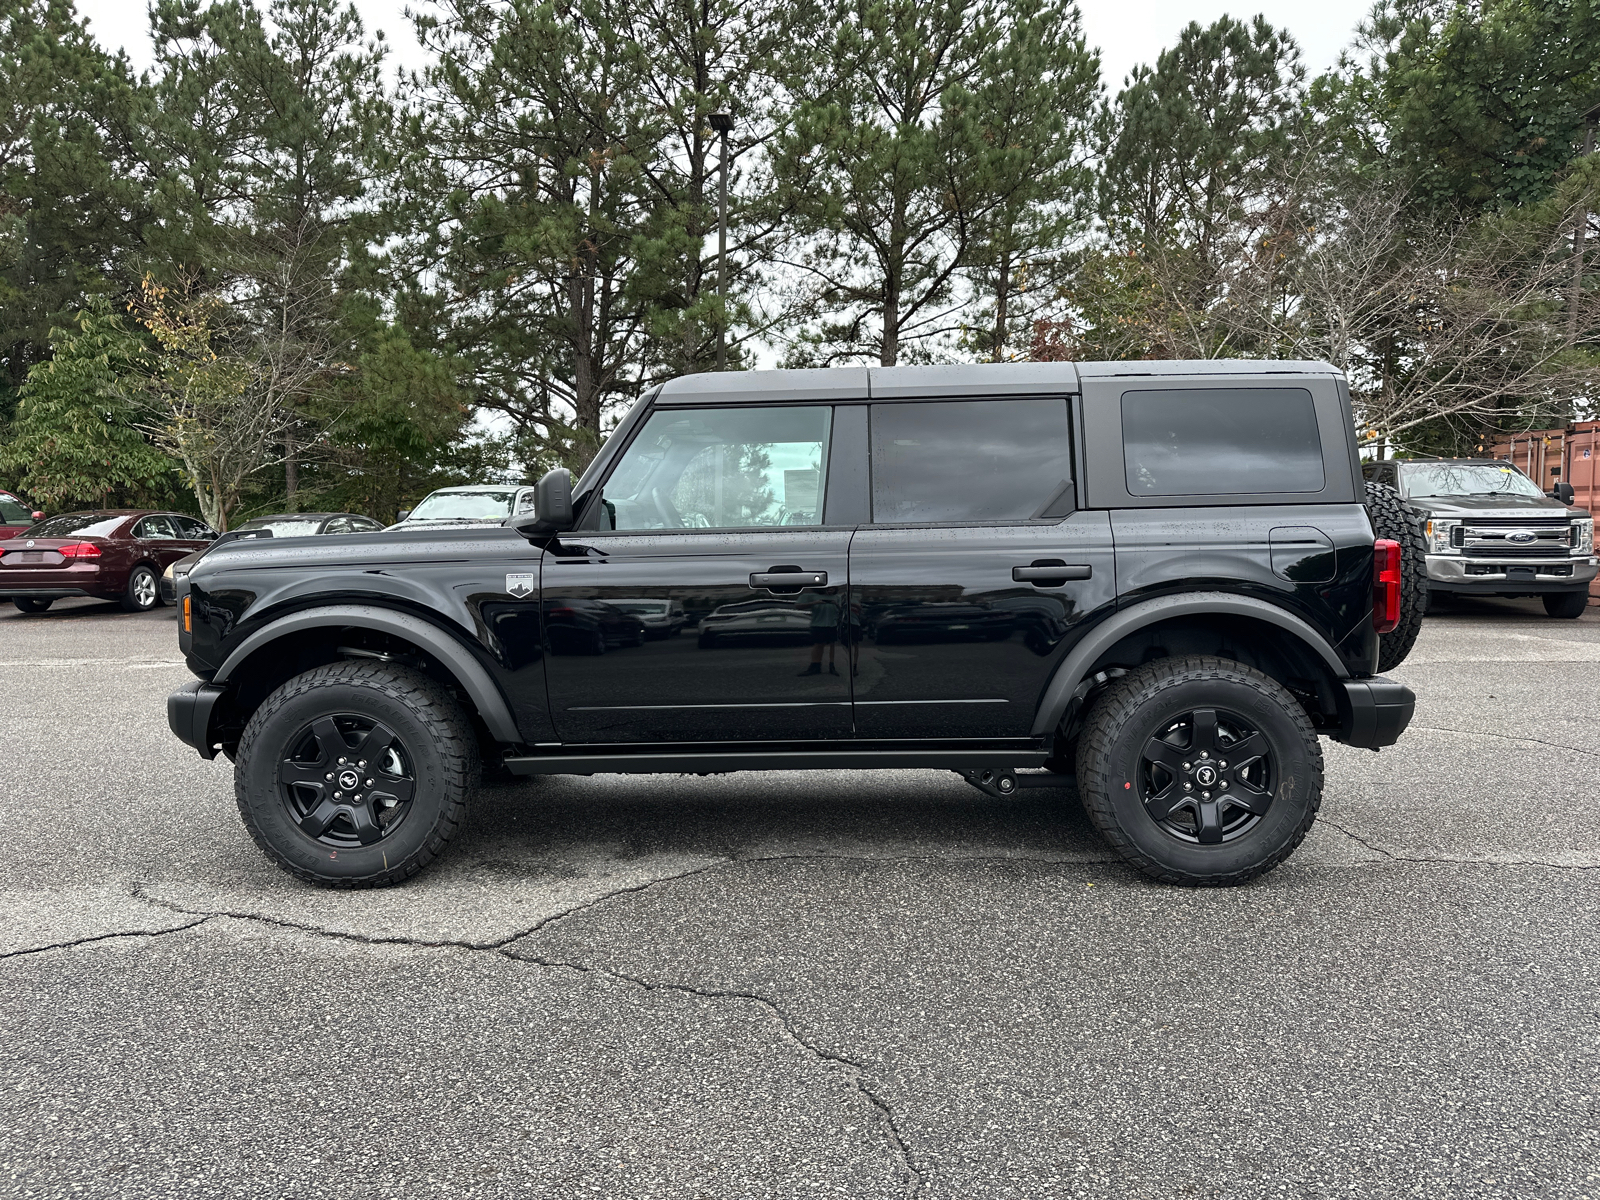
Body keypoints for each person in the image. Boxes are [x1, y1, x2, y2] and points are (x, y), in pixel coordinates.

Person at [798, 595, 841, 676]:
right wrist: (815, 603)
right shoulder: (813, 595)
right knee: (818, 645)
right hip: (818, 624)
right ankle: (815, 666)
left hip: (832, 624)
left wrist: (836, 604)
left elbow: (842, 610)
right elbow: (798, 606)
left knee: (832, 645)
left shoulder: (837, 597)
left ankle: (831, 666)